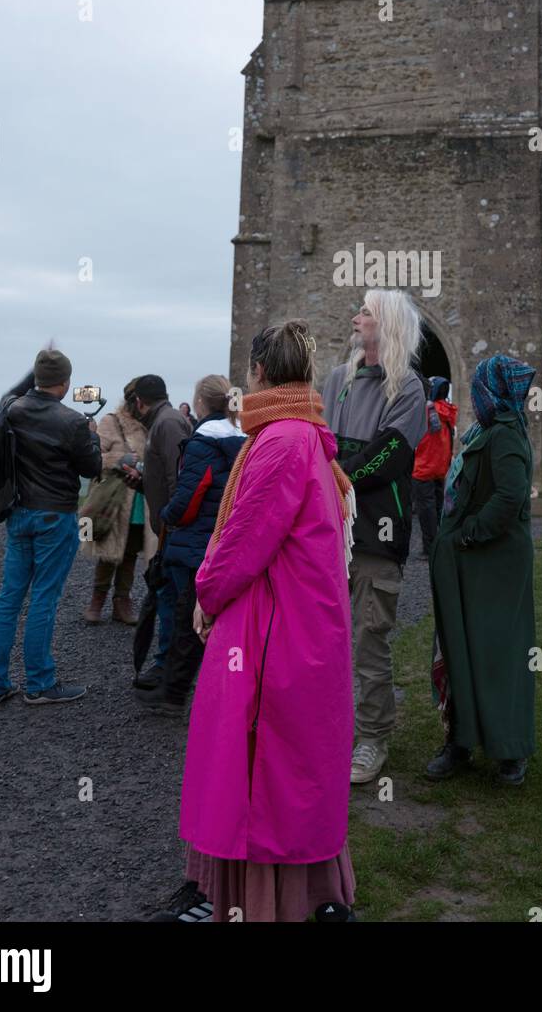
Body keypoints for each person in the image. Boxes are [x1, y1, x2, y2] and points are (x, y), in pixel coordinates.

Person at [163, 320, 355, 924]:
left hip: (273, 625)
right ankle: (308, 899)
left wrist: (206, 592)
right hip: (302, 621)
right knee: (293, 767)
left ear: (262, 373)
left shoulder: (280, 440)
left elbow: (245, 538)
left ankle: (249, 902)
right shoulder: (308, 435)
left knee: (256, 766)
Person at [322, 289, 426, 784]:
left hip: (374, 537)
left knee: (368, 639)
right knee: (323, 635)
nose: (356, 317)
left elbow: (391, 456)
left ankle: (372, 740)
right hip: (327, 533)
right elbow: (318, 439)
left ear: (387, 324)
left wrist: (333, 478)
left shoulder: (408, 387)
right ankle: (327, 728)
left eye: (366, 311)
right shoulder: (337, 380)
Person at [426, 355, 538, 786]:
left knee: (500, 655)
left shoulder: (505, 435)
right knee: (463, 650)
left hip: (495, 564)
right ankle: (461, 739)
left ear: (493, 391)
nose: (474, 395)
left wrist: (470, 532)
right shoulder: (487, 430)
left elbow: (509, 497)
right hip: (471, 562)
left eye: (479, 387)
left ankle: (510, 749)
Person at [0, 348, 101, 706]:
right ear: (64, 383)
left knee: (9, 598)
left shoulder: (10, 410)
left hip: (18, 513)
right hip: (56, 515)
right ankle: (39, 683)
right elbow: (90, 467)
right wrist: (92, 435)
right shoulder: (72, 421)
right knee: (44, 599)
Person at [137, 375, 244, 718]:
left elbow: (191, 494)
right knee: (212, 619)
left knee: (190, 620)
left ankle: (185, 694)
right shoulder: (244, 439)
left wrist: (168, 514)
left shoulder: (204, 441)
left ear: (200, 402)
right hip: (225, 540)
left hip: (195, 540)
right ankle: (188, 691)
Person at [130, 375, 194, 689]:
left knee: (173, 600)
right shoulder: (166, 421)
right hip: (171, 529)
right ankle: (166, 664)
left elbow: (178, 479)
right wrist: (141, 483)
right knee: (167, 597)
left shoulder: (166, 424)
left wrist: (170, 523)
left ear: (140, 402)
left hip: (175, 531)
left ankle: (170, 670)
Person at [82, 379, 158, 625]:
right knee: (108, 552)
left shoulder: (153, 425)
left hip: (139, 500)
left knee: (130, 554)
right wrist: (119, 458)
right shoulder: (110, 421)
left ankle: (121, 602)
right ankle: (97, 600)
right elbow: (94, 457)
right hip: (114, 501)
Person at [412, 376, 458, 554]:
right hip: (440, 468)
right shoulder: (448, 411)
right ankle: (440, 543)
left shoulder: (426, 410)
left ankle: (430, 548)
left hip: (423, 467)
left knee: (426, 511)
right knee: (438, 508)